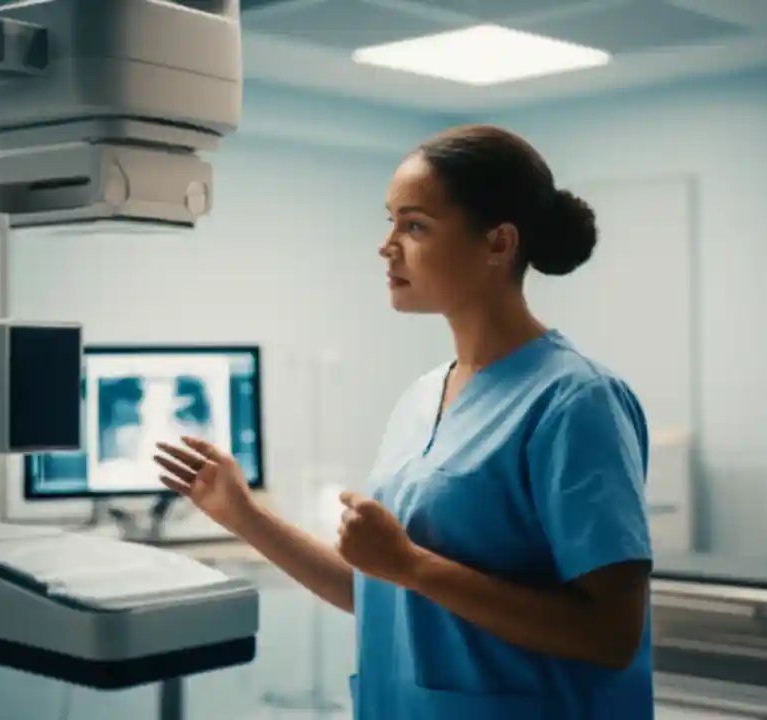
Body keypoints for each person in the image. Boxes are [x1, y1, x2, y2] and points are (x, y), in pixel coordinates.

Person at [154, 124, 654, 720]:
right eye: (390, 222)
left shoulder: (576, 401)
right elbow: (381, 593)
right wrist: (243, 515)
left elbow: (610, 635)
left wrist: (413, 566)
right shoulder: (421, 399)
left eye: (415, 226)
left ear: (498, 244)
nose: (387, 246)